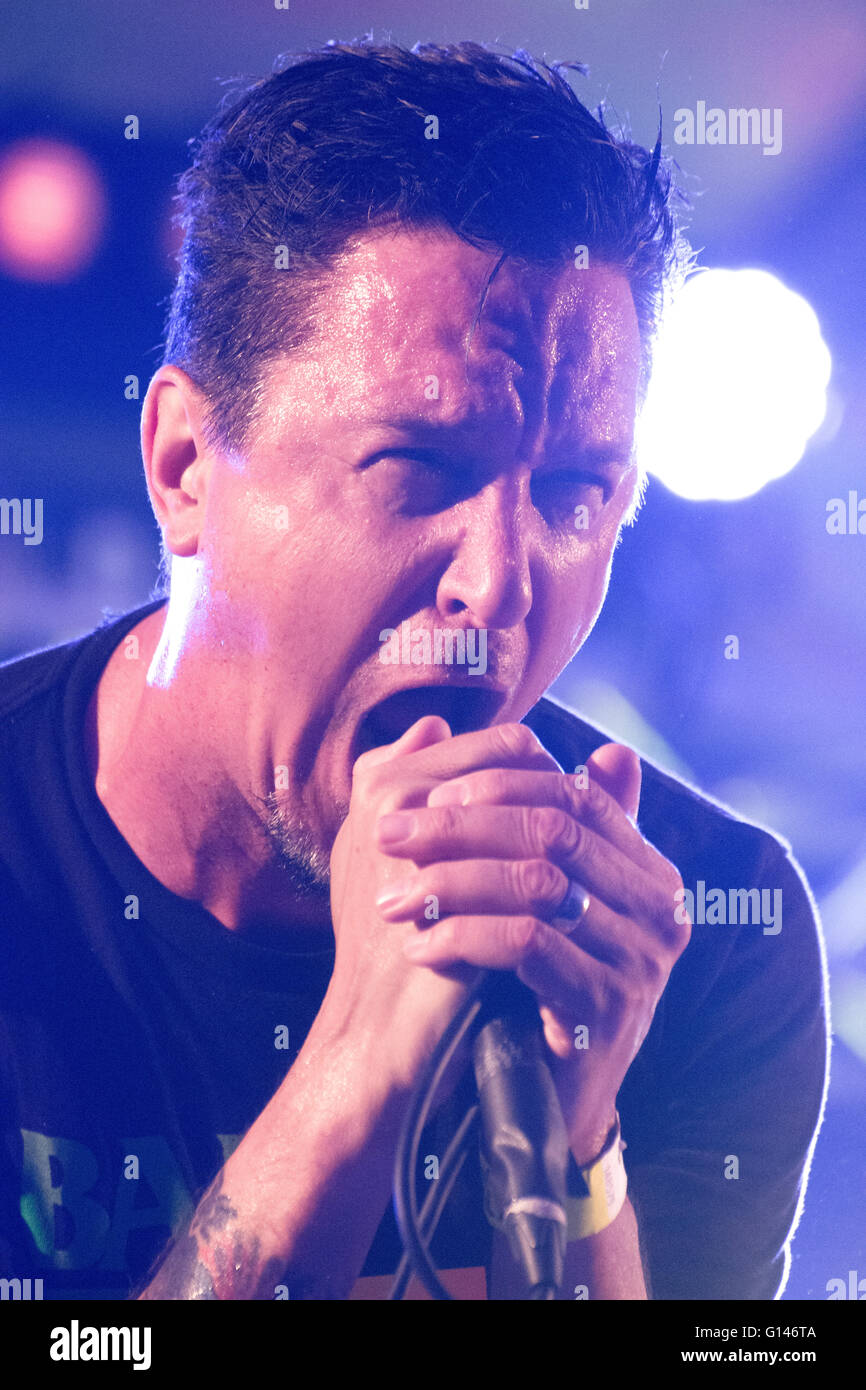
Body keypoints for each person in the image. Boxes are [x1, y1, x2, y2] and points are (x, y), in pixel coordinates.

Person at [0, 39, 828, 1301]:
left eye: (570, 493)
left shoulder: (706, 938)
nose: (497, 582)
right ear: (181, 468)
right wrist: (349, 1073)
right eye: (419, 471)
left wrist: (577, 1150)